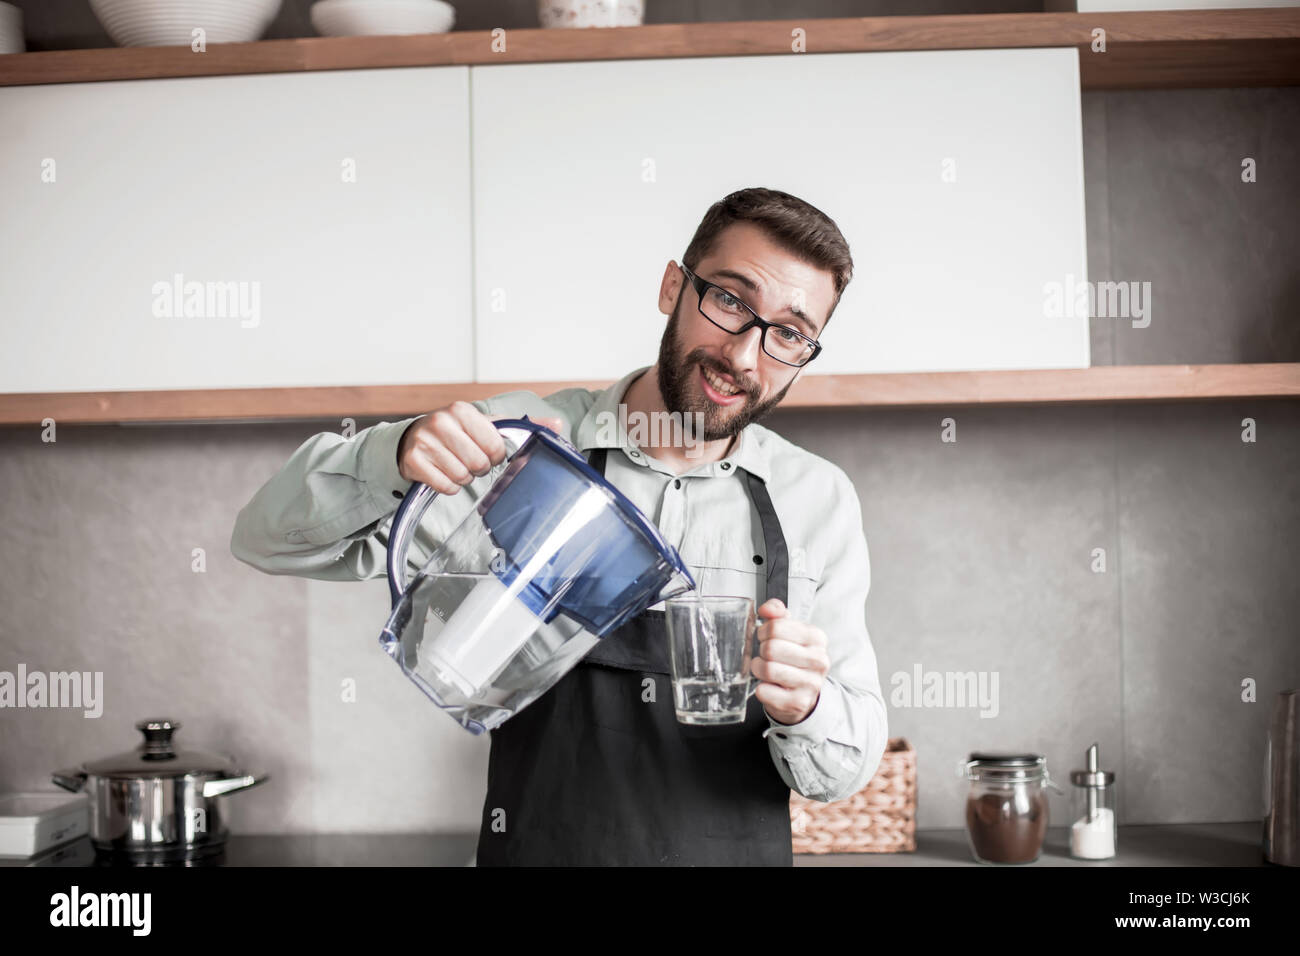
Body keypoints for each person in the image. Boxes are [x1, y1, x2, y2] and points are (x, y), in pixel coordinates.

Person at [231, 186, 888, 866]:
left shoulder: (817, 500)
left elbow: (844, 770)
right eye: (728, 300)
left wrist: (805, 706)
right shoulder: (524, 445)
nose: (745, 357)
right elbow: (262, 539)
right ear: (673, 287)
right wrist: (391, 457)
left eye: (787, 333)